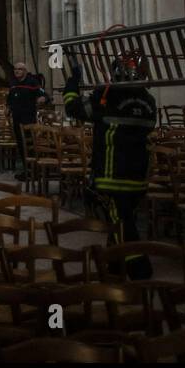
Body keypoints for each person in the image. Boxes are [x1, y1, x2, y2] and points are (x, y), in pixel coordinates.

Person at [64, 52, 156, 279]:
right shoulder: (148, 100)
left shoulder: (108, 95)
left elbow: (74, 108)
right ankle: (115, 264)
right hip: (138, 173)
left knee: (121, 221)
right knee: (124, 217)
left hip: (112, 173)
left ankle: (138, 266)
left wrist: (72, 82)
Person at [7, 61, 49, 178]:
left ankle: (33, 171)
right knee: (21, 145)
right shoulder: (13, 83)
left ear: (25, 71)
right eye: (15, 69)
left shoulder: (32, 82)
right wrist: (8, 108)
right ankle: (27, 170)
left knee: (30, 145)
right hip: (17, 119)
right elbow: (10, 98)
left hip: (28, 120)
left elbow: (44, 95)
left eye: (19, 69)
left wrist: (42, 98)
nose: (17, 71)